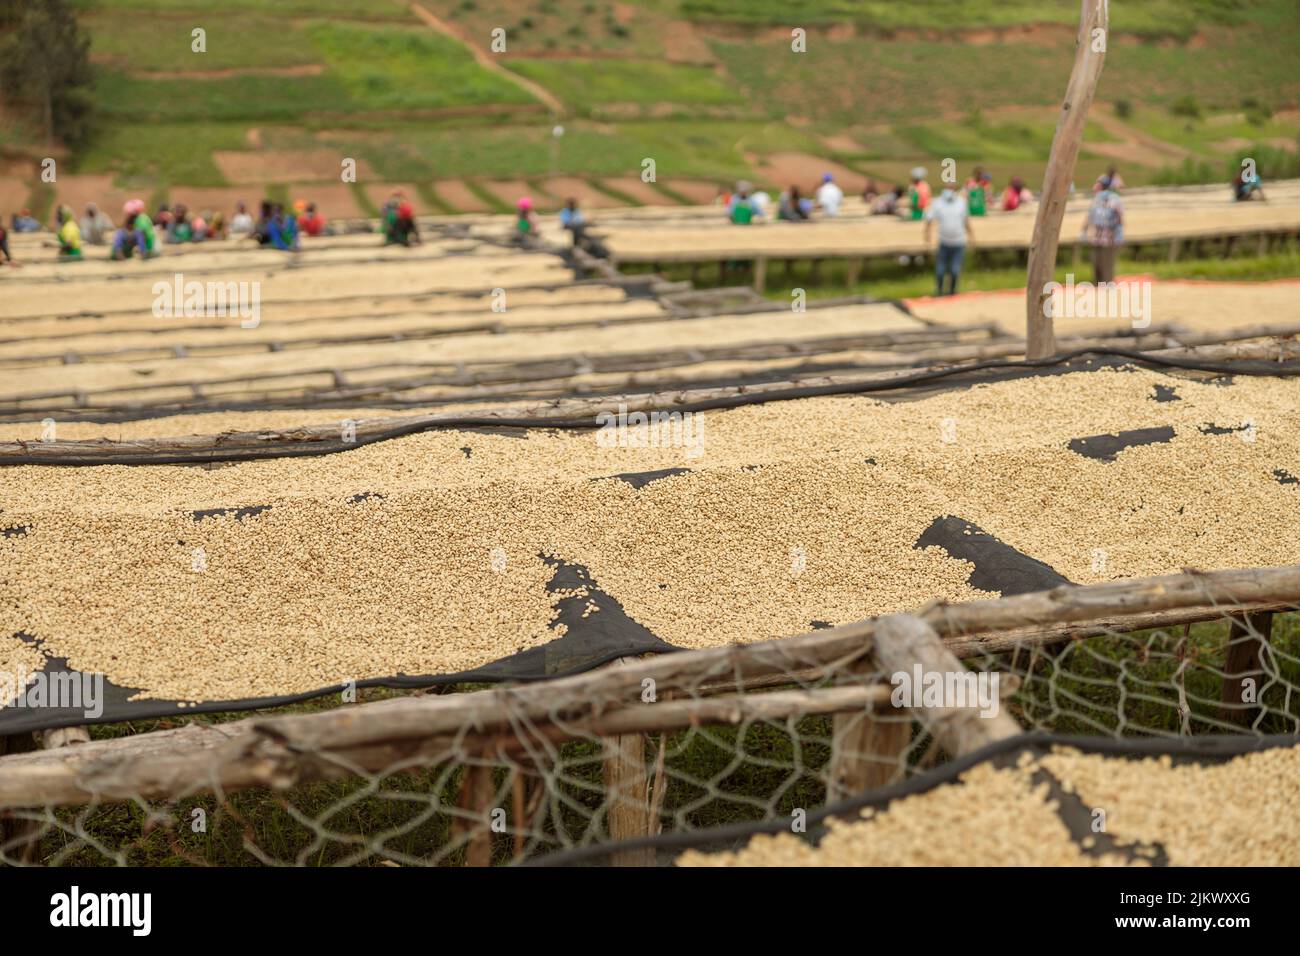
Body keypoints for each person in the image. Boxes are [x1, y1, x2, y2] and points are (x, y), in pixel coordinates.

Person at [922, 183, 973, 296]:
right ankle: (939, 291)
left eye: (951, 188)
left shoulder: (961, 203)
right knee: (940, 271)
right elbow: (929, 219)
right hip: (944, 242)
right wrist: (927, 234)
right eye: (947, 188)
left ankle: (952, 292)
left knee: (955, 271)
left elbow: (966, 220)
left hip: (958, 242)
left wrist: (971, 236)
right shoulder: (937, 203)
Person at [1081, 175, 1124, 284]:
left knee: (1107, 265)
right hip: (1096, 238)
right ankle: (1097, 285)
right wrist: (1084, 232)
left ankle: (1108, 285)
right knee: (1096, 263)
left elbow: (1119, 219)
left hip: (1109, 239)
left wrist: (1119, 236)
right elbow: (1090, 217)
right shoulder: (1096, 200)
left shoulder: (1114, 200)